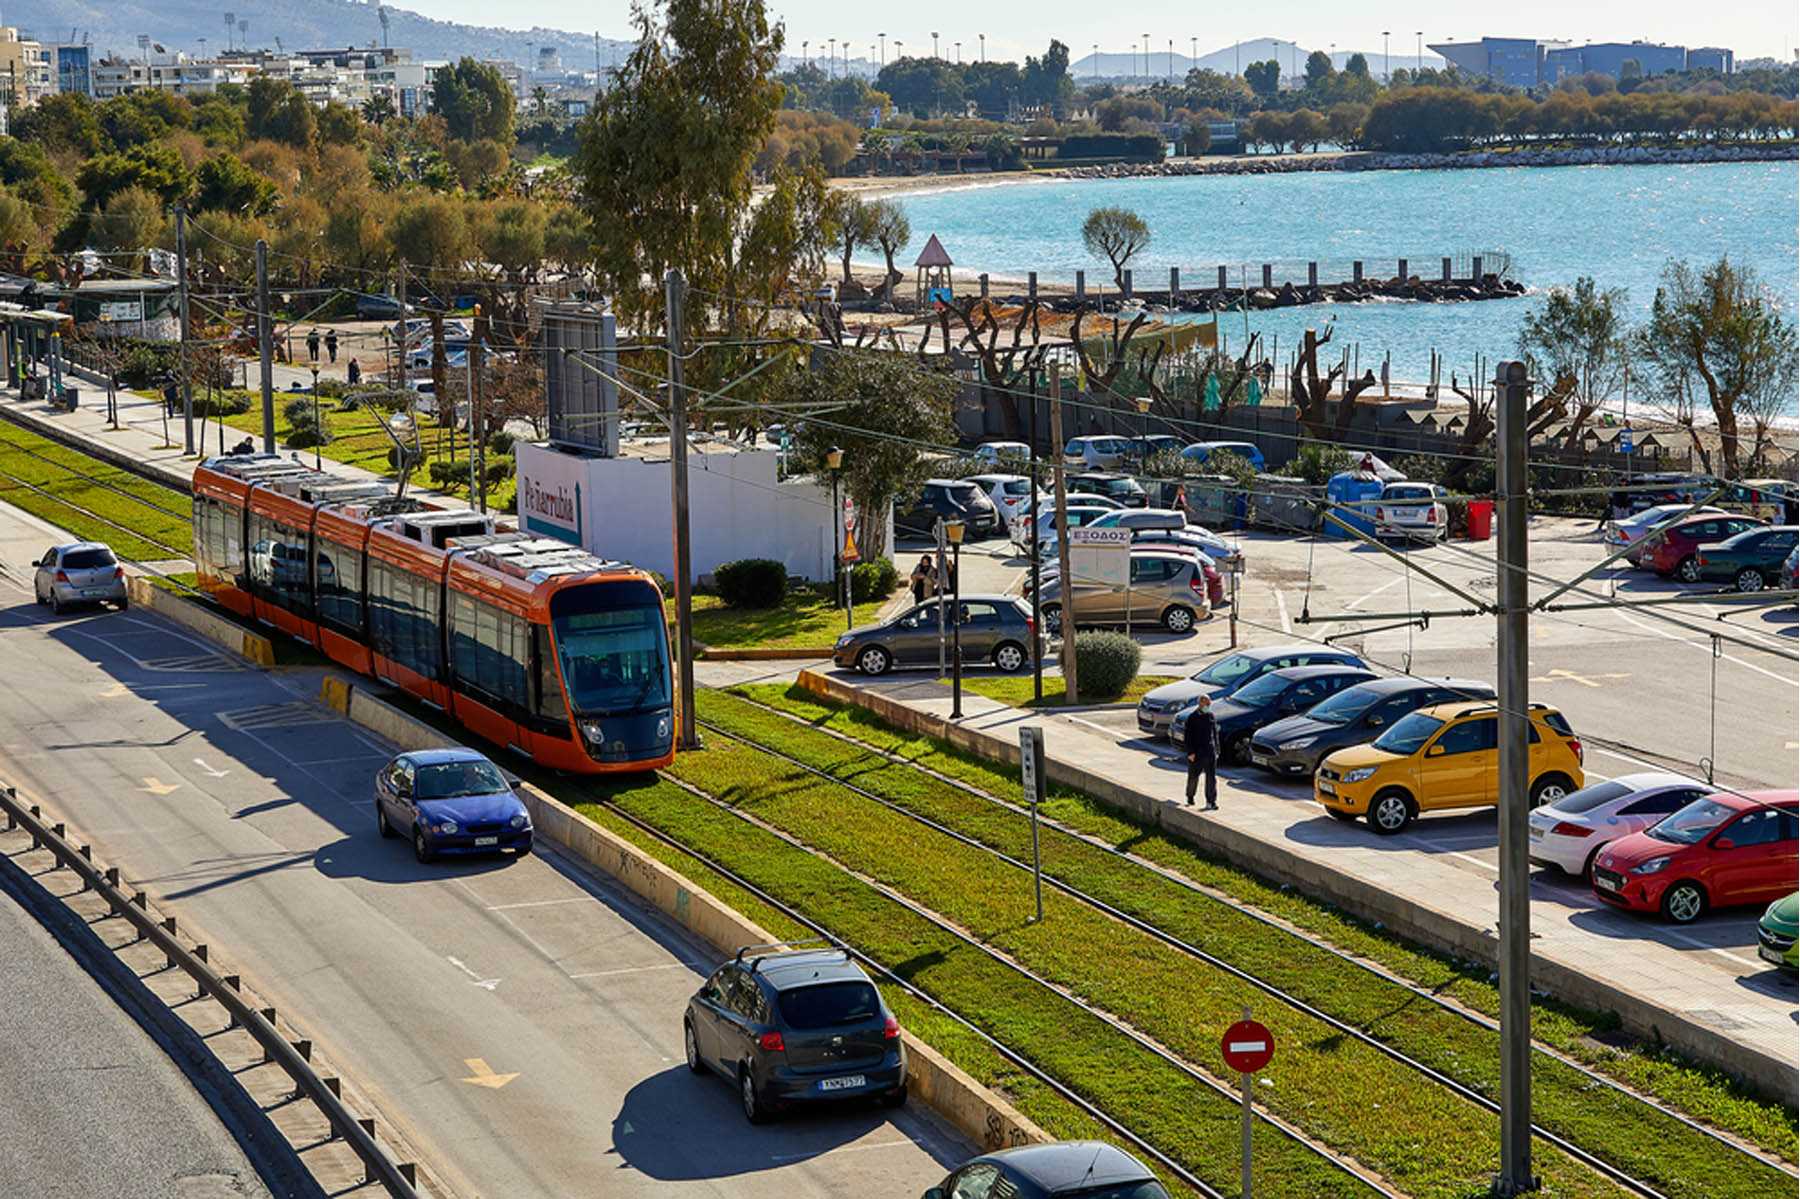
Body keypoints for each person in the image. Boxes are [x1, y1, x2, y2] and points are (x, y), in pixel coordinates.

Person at [1183, 694, 1219, 809]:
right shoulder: (1193, 717)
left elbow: (1215, 733)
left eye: (1209, 704)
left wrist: (1217, 749)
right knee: (1193, 776)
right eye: (1205, 703)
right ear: (1200, 704)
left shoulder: (1211, 716)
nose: (1208, 706)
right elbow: (1188, 737)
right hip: (1196, 752)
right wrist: (1190, 752)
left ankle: (1211, 801)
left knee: (1211, 778)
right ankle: (1190, 796)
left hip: (1209, 751)